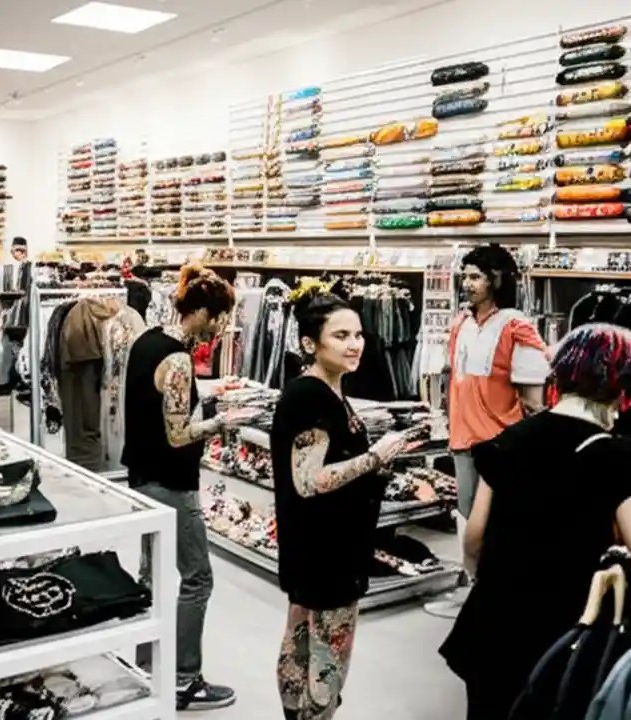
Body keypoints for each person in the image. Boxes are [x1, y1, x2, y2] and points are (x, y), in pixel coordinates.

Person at [438, 324, 631, 720]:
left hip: (492, 623)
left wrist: (489, 579)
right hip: (559, 629)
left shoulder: (512, 437)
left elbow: (474, 536)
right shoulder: (614, 456)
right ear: (623, 385)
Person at [271, 281, 425, 720]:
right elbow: (310, 480)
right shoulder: (309, 396)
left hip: (320, 542)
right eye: (341, 336)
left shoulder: (329, 391)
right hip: (327, 548)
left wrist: (378, 464)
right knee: (329, 646)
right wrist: (378, 453)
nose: (355, 344)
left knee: (302, 634)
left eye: (358, 334)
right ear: (309, 342)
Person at [122, 263, 258, 710]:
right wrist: (222, 421)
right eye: (219, 317)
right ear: (200, 312)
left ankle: (147, 667)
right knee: (196, 578)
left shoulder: (145, 341)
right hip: (172, 484)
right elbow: (178, 434)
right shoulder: (179, 359)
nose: (222, 327)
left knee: (153, 576)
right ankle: (184, 679)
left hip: (140, 478)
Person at [427, 243, 550, 618]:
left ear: (496, 280)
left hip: (501, 440)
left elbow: (533, 392)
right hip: (464, 438)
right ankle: (475, 586)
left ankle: (495, 592)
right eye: (465, 276)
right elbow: (455, 379)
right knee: (467, 513)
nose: (468, 284)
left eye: (476, 276)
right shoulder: (460, 324)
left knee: (498, 519)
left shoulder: (516, 325)